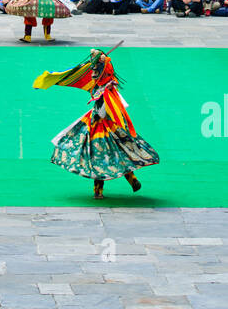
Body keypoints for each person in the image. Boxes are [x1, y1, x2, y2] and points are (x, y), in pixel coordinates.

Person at [37, 47, 160, 198]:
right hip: (108, 126)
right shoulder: (103, 87)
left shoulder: (105, 89)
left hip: (99, 127)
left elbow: (102, 109)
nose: (93, 74)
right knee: (119, 152)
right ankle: (130, 179)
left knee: (99, 157)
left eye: (96, 71)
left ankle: (101, 190)